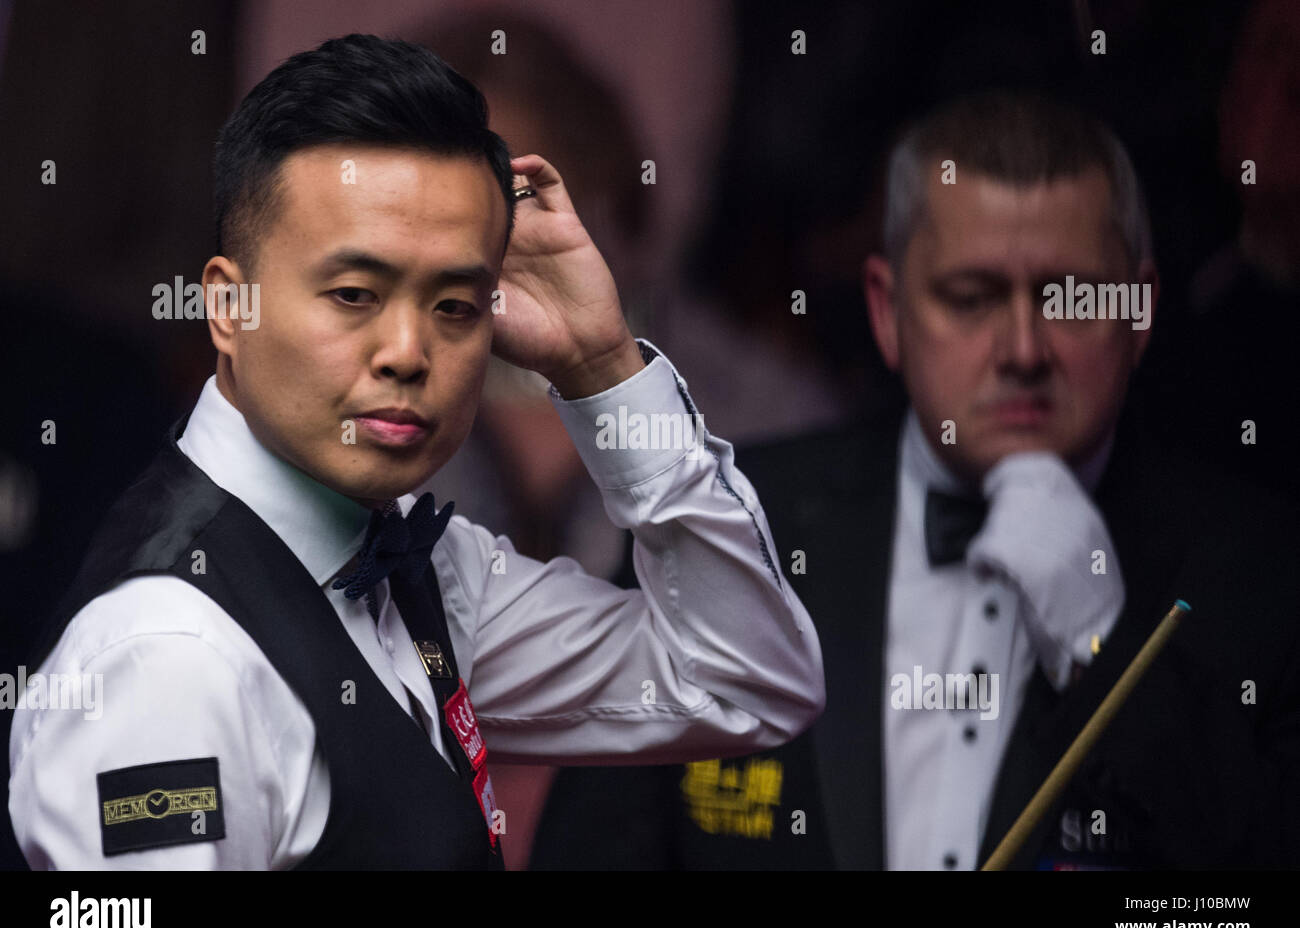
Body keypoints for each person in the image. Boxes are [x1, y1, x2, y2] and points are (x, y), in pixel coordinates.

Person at [7, 34, 823, 869]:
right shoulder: (168, 660)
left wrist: (602, 365)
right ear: (227, 305)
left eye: (456, 306)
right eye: (354, 293)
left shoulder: (422, 566)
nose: (407, 350)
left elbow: (745, 681)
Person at [532, 89, 1300, 871]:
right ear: (888, 310)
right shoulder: (714, 520)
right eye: (971, 299)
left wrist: (1102, 652)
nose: (1023, 349)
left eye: (1069, 298)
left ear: (1138, 312)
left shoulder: (1259, 573)